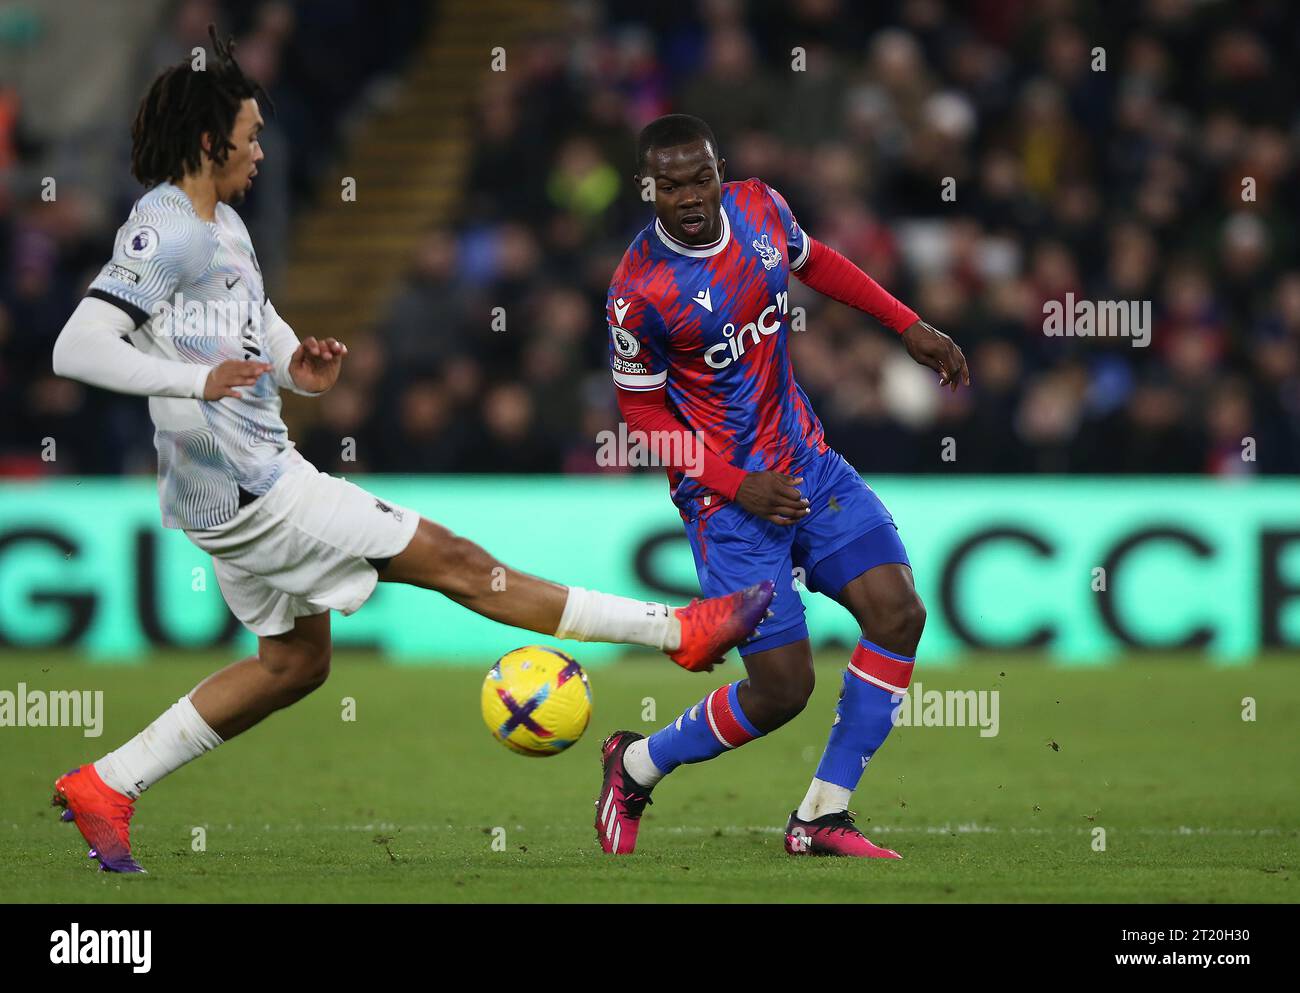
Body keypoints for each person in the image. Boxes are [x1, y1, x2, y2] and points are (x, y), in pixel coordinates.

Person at [48, 35, 772, 874]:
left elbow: (255, 318)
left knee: (293, 665)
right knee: (460, 563)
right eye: (248, 136)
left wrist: (293, 365)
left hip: (233, 486)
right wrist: (190, 381)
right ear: (210, 144)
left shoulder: (225, 223)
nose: (259, 149)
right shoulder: (166, 232)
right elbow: (79, 344)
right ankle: (676, 628)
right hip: (259, 488)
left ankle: (108, 782)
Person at [594, 114, 970, 858]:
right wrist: (738, 483)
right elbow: (640, 414)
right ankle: (636, 764)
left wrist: (906, 323)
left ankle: (822, 815)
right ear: (649, 188)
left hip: (807, 461)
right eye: (671, 185)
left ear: (719, 170)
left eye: (701, 177)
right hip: (728, 503)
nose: (691, 196)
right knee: (782, 690)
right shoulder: (638, 293)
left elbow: (817, 261)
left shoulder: (761, 206)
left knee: (897, 613)